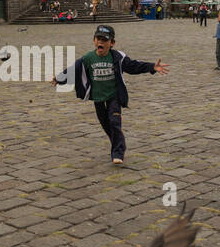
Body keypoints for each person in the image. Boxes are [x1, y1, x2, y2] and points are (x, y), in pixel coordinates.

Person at [53, 24, 168, 166]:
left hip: (114, 95)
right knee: (106, 125)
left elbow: (133, 66)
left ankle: (118, 152)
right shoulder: (88, 58)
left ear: (112, 43)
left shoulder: (117, 57)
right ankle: (118, 142)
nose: (101, 42)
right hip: (98, 97)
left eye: (105, 40)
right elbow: (74, 69)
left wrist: (152, 67)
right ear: (94, 41)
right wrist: (60, 78)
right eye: (98, 39)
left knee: (114, 122)